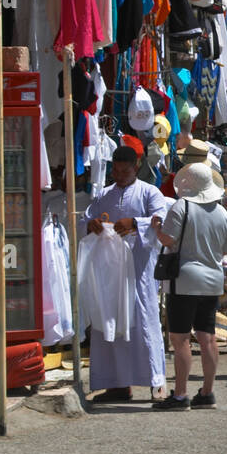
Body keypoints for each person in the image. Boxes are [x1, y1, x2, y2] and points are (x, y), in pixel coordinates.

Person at [82, 145, 171, 402]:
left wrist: (135, 223)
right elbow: (86, 220)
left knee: (144, 322)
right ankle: (118, 383)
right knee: (111, 322)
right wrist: (92, 224)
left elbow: (162, 219)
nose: (120, 175)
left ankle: (157, 382)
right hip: (110, 272)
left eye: (125, 170)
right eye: (116, 170)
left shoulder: (149, 193)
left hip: (140, 270)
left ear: (136, 167)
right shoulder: (104, 195)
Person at [150, 163, 227, 410]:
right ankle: (207, 392)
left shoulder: (181, 207)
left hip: (184, 279)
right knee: (207, 337)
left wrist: (156, 229)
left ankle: (180, 394)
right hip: (212, 281)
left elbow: (168, 239)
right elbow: (226, 250)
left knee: (180, 338)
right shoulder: (223, 215)